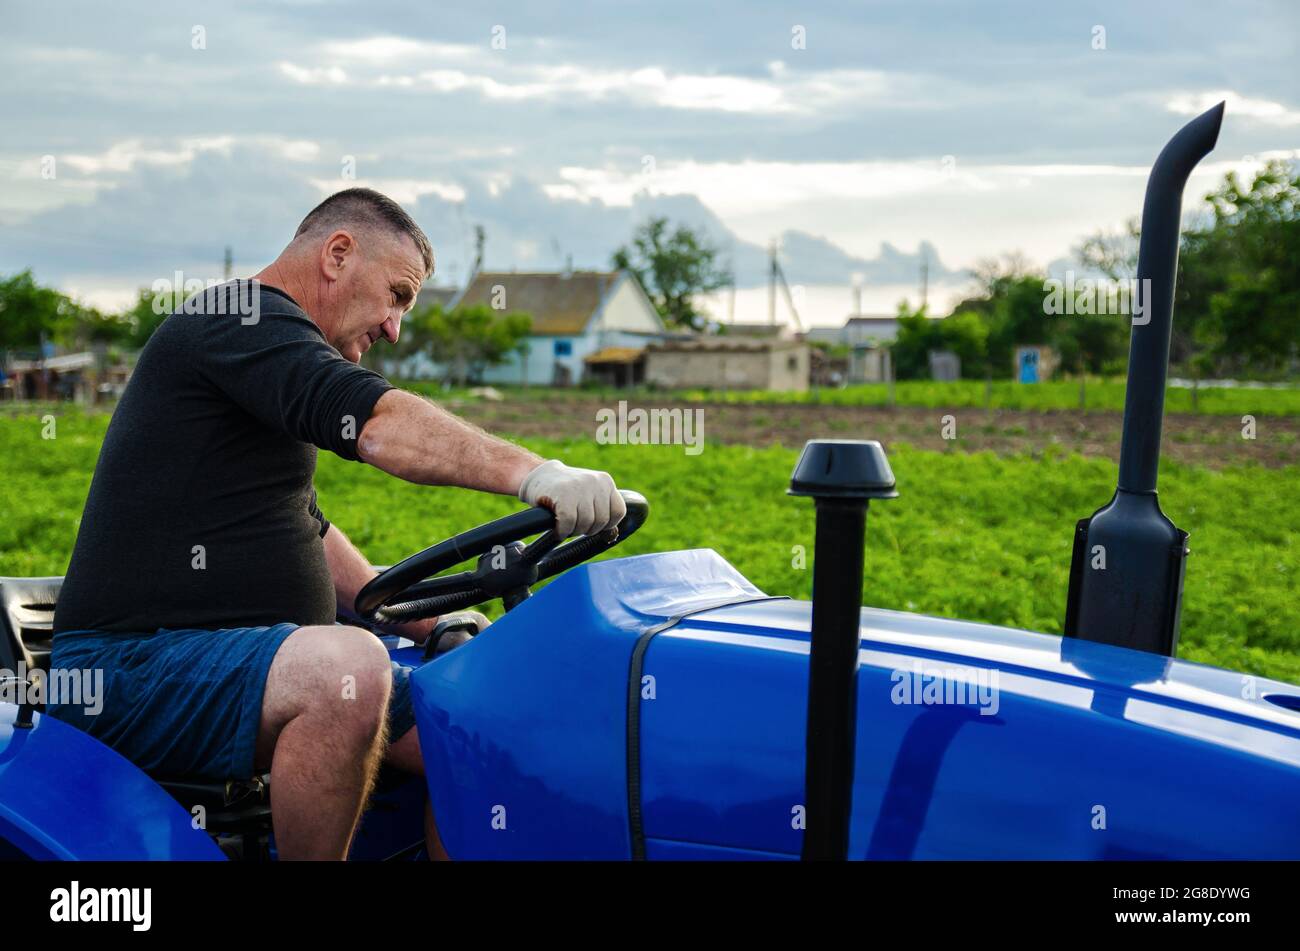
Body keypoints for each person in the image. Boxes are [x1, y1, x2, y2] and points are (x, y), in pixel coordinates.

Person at [47, 187, 626, 860]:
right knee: (344, 667)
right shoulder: (234, 321)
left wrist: (430, 618)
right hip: (131, 666)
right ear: (338, 254)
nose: (394, 327)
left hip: (239, 663)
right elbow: (379, 425)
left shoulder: (262, 358)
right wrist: (537, 474)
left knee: (477, 710)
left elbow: (304, 527)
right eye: (397, 294)